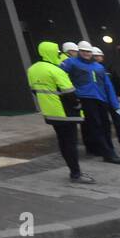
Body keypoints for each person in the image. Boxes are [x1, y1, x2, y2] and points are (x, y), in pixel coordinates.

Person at [27, 40, 93, 183]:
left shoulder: (32, 69)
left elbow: (34, 90)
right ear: (51, 52)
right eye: (57, 52)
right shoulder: (55, 70)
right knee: (71, 143)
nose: (58, 55)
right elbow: (69, 92)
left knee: (63, 142)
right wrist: (77, 105)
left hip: (50, 112)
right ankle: (76, 173)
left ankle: (73, 171)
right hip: (66, 112)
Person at [61, 43, 120, 165]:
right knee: (96, 126)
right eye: (83, 51)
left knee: (105, 126)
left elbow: (108, 86)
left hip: (100, 99)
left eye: (88, 51)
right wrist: (72, 95)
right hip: (85, 98)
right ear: (79, 51)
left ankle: (107, 151)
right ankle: (108, 154)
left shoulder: (98, 67)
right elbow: (60, 77)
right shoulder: (71, 63)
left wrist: (115, 104)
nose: (86, 53)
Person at [94, 47, 120, 156]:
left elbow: (118, 83)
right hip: (101, 101)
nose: (97, 58)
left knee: (119, 123)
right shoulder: (91, 70)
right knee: (105, 126)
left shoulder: (109, 69)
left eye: (99, 56)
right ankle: (109, 148)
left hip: (113, 100)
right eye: (95, 56)